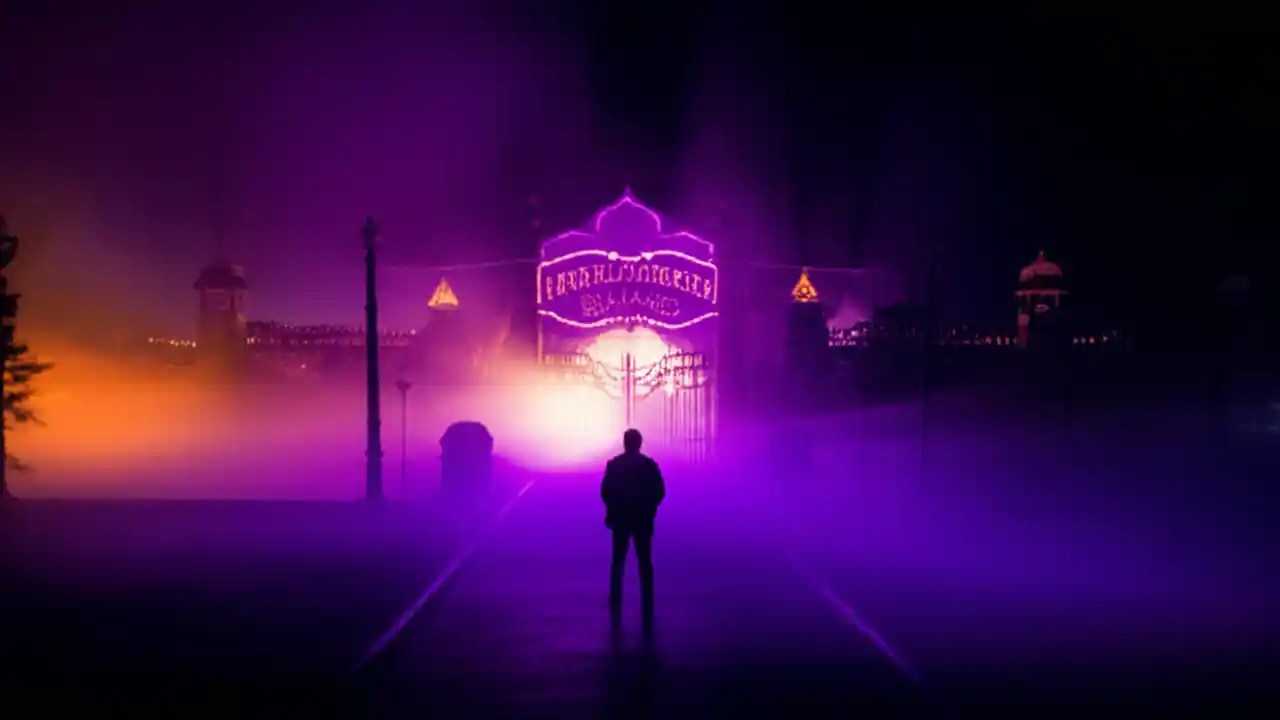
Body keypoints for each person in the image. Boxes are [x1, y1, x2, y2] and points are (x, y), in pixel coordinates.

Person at [601, 428, 665, 615]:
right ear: (640, 443)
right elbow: (660, 491)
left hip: (620, 518)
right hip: (642, 519)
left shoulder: (614, 465)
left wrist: (612, 510)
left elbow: (605, 491)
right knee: (644, 560)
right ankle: (647, 596)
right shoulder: (649, 465)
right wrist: (649, 508)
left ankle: (615, 595)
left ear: (625, 443)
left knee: (618, 558)